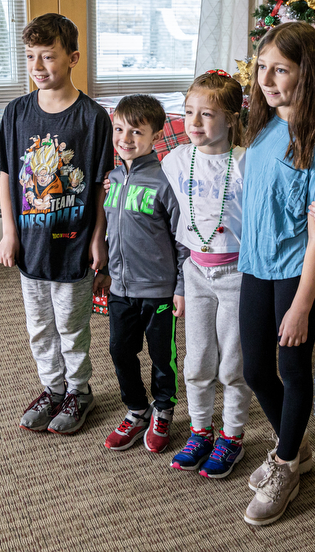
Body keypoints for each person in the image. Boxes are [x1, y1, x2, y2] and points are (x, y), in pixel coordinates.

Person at [160, 70, 315, 479]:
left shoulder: (248, 158)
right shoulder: (174, 162)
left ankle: (232, 437)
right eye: (188, 112)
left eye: (206, 114)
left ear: (230, 117)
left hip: (240, 273)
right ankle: (200, 431)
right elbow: (162, 211)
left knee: (236, 364)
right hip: (195, 274)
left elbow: (291, 198)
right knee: (197, 358)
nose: (193, 122)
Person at [237, 22, 315, 526]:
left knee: (292, 370)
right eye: (262, 67)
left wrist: (303, 304)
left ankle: (286, 463)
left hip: (295, 275)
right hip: (253, 266)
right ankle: (295, 443)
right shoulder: (261, 127)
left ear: (308, 75)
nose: (267, 78)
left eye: (280, 69)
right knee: (256, 369)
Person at [0, 13, 113, 435]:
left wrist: (99, 240)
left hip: (74, 247)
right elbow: (7, 176)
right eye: (30, 57)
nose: (38, 67)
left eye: (48, 57)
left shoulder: (93, 118)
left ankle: (79, 393)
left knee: (72, 327)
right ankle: (52, 389)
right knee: (40, 327)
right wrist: (9, 233)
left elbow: (100, 186)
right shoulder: (17, 113)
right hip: (31, 247)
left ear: (73, 57)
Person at [94, 95, 188, 454]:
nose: (126, 138)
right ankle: (137, 410)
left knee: (162, 355)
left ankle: (163, 409)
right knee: (120, 350)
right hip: (120, 287)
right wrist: (104, 272)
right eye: (119, 129)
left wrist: (179, 286)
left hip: (159, 291)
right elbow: (112, 231)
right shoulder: (113, 179)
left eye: (137, 131)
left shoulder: (166, 181)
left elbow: (181, 240)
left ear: (156, 136)